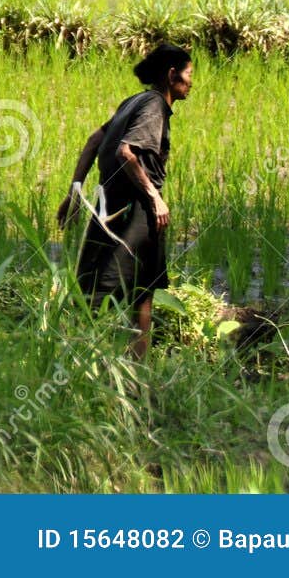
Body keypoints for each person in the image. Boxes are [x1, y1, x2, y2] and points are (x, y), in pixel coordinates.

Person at [57, 43, 193, 359]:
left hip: (109, 205)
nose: (191, 82)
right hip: (135, 213)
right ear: (172, 75)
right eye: (188, 74)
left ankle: (131, 373)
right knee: (112, 291)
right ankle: (93, 367)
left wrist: (75, 190)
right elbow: (125, 151)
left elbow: (95, 140)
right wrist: (155, 198)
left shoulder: (133, 101)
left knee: (140, 292)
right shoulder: (155, 105)